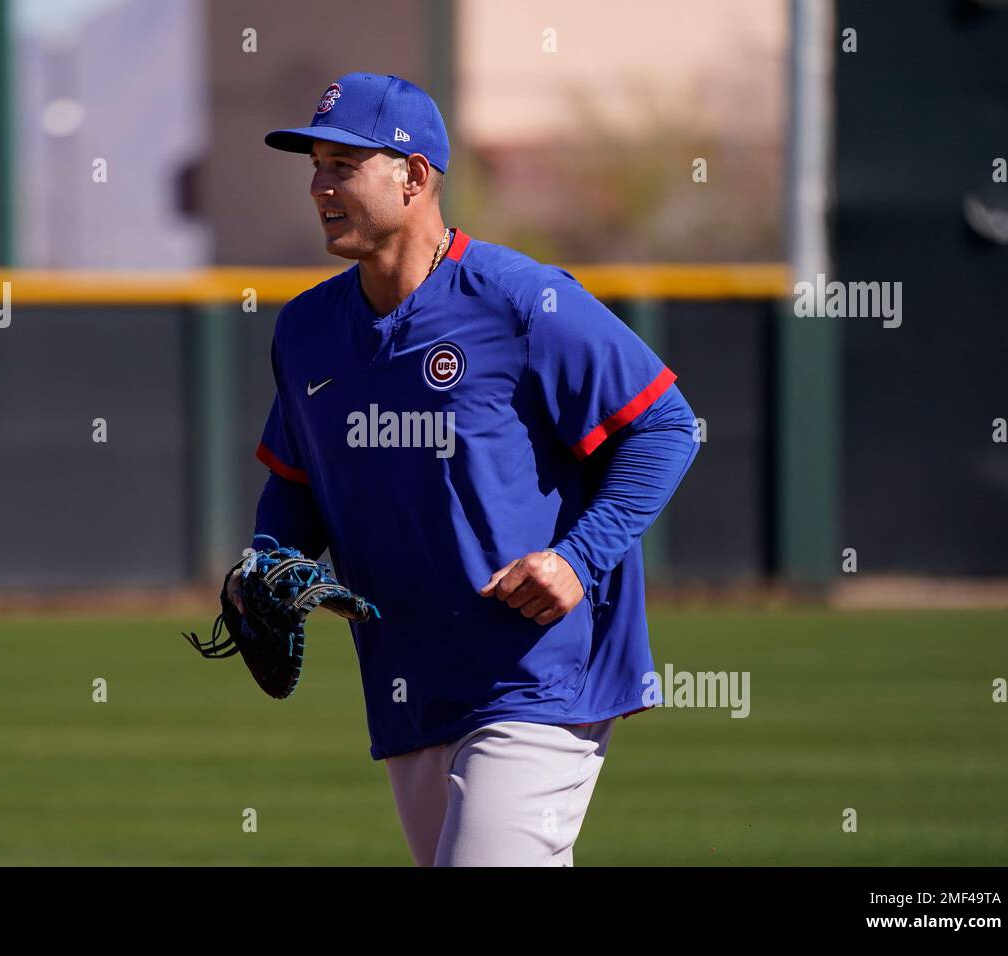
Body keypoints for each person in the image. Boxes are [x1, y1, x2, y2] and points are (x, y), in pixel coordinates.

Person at [242, 72, 699, 866]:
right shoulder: (309, 329)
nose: (318, 186)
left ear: (414, 176)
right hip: (408, 682)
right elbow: (295, 482)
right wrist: (263, 562)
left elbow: (665, 425)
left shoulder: (522, 302)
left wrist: (576, 559)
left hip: (537, 673)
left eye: (343, 165)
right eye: (314, 165)